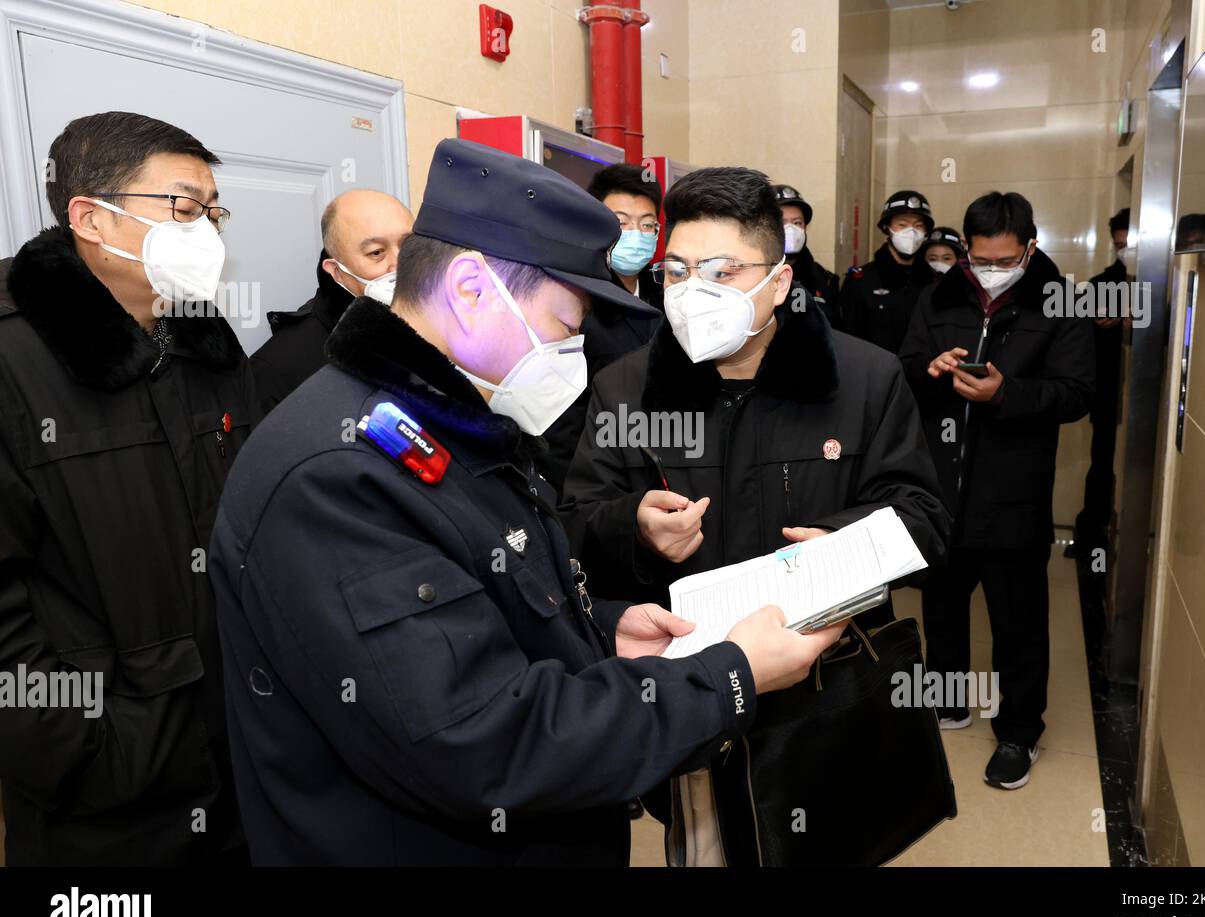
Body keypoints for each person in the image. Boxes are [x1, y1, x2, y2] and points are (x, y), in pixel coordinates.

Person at [207, 138, 844, 866]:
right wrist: (729, 675)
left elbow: (487, 602)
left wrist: (601, 632)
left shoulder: (455, 420)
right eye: (565, 328)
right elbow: (483, 741)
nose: (572, 354)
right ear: (472, 290)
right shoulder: (339, 477)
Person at [561, 166, 950, 863]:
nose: (693, 292)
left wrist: (837, 543)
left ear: (778, 282)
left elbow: (923, 516)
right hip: (696, 696)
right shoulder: (626, 388)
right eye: (677, 270)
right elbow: (576, 523)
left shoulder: (864, 379)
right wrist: (635, 526)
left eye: (721, 271)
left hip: (825, 696)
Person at [0, 111, 256, 864]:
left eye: (212, 212)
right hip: (104, 800)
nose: (205, 231)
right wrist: (86, 750)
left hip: (237, 756)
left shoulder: (208, 346)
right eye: (182, 207)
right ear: (89, 217)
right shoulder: (13, 360)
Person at [898, 191, 1094, 790]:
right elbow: (906, 364)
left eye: (1005, 261)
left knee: (1019, 620)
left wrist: (1006, 394)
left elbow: (1077, 393)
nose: (990, 271)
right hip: (942, 486)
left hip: (1013, 492)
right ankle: (949, 700)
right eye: (980, 260)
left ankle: (1018, 731)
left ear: (1030, 249)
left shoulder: (1061, 303)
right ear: (965, 249)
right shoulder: (938, 296)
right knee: (942, 604)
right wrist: (931, 369)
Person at [539, 163, 664, 491]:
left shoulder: (665, 291)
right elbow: (560, 417)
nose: (635, 234)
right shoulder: (575, 301)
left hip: (661, 462)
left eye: (646, 224)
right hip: (595, 475)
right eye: (621, 223)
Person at [251, 189, 413, 410]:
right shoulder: (279, 366)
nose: (401, 264)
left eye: (410, 246)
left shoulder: (444, 326)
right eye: (376, 253)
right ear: (336, 271)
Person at [1071, 208, 1130, 556]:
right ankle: (1092, 535)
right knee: (1103, 462)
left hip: (1154, 395)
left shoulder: (1172, 278)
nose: (1125, 251)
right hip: (1108, 392)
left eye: (1130, 244)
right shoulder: (1102, 284)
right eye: (1119, 245)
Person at [838, 189, 936, 353]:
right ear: (887, 228)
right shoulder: (861, 281)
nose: (911, 232)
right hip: (876, 368)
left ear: (926, 232)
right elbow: (849, 342)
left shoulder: (933, 281)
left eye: (918, 225)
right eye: (902, 225)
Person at [773, 183, 839, 317]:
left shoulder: (824, 280)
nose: (790, 230)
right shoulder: (752, 277)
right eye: (781, 223)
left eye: (797, 223)